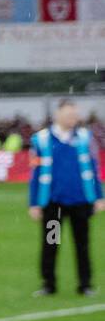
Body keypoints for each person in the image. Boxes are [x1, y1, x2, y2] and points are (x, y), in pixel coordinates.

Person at [30, 99, 102, 296]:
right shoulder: (42, 140)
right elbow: (35, 174)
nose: (74, 118)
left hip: (80, 202)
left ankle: (85, 284)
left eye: (75, 115)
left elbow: (94, 169)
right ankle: (49, 284)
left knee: (82, 245)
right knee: (51, 244)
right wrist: (34, 203)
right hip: (54, 204)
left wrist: (99, 196)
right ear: (58, 115)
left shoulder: (85, 138)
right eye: (70, 115)